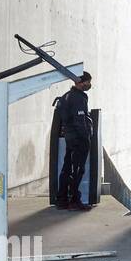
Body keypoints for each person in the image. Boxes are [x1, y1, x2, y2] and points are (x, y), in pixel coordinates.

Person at [55, 72, 93, 211]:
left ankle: (62, 199)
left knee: (67, 169)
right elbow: (80, 121)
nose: (89, 85)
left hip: (70, 138)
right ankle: (74, 200)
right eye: (87, 82)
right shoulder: (78, 98)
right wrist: (86, 138)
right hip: (78, 139)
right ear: (80, 82)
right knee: (77, 170)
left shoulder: (66, 96)